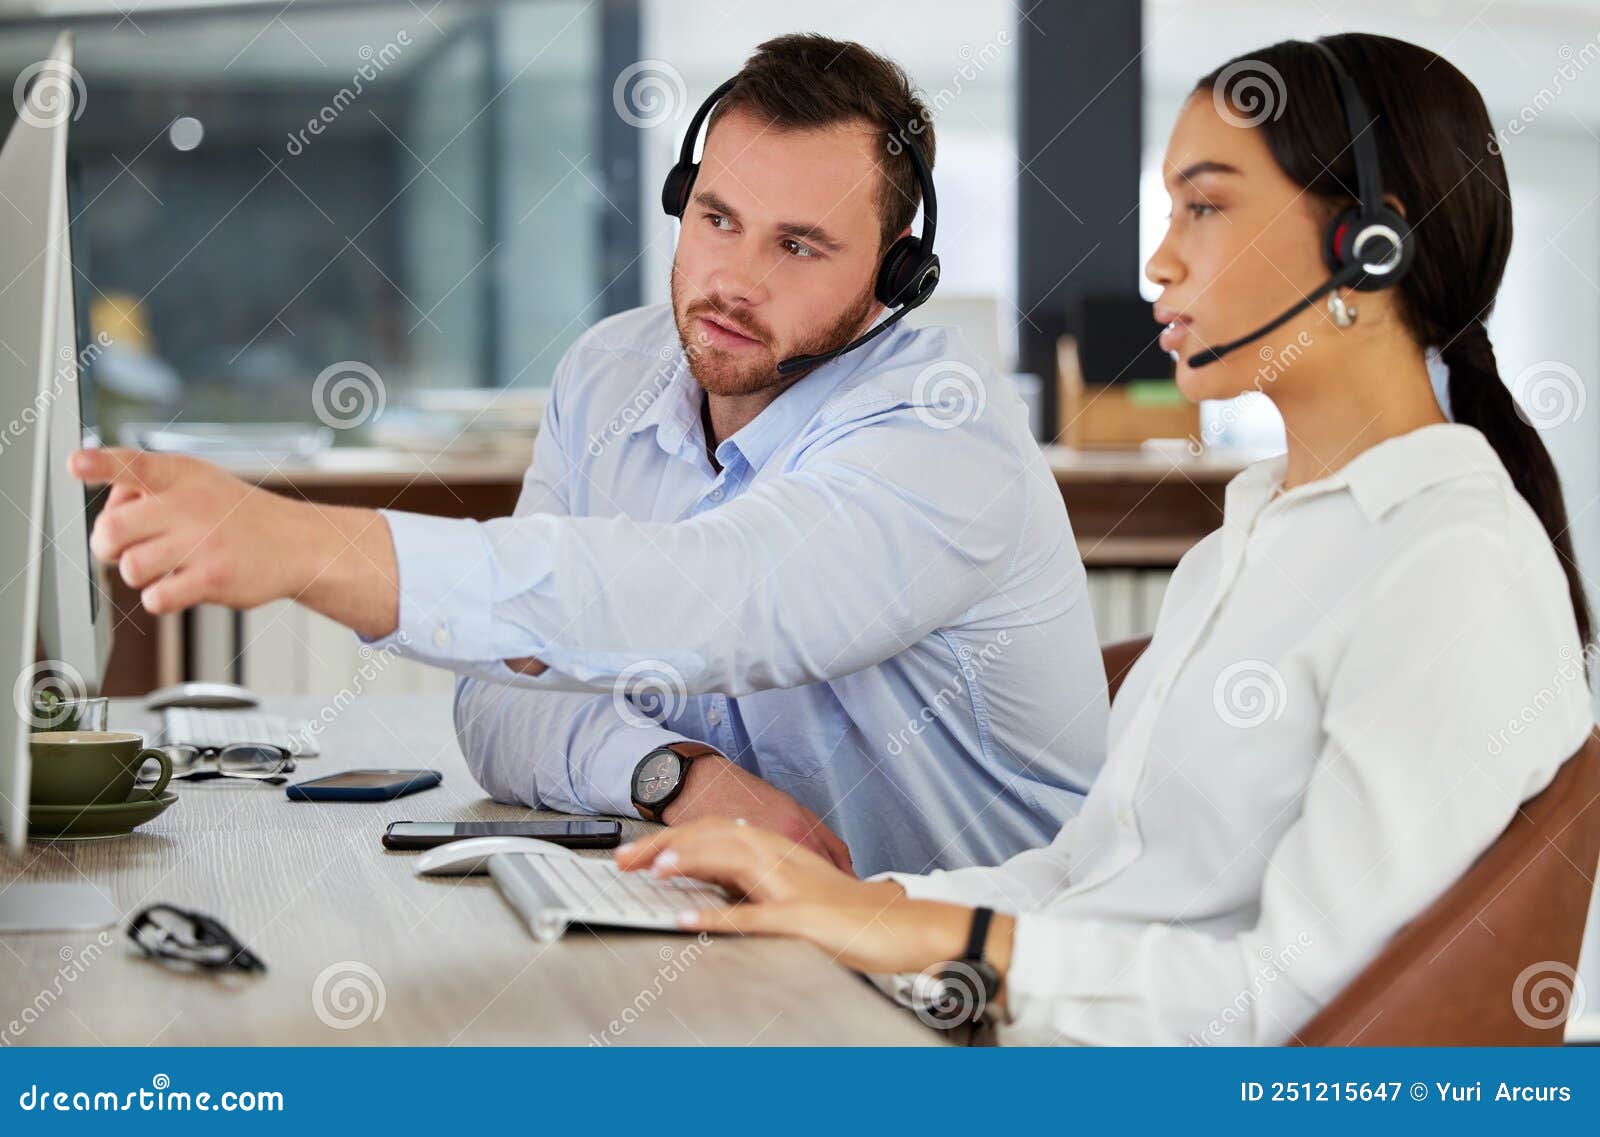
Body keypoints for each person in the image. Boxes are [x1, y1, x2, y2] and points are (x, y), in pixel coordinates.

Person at [610, 32, 1598, 1046]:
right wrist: (847, 904)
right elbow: (1089, 879)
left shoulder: (1449, 568)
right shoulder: (1247, 542)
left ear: (1367, 248)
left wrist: (918, 938)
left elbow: (1292, 1003)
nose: (1158, 261)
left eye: (1205, 207)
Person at [70, 34, 1108, 879]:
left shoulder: (941, 427)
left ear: (895, 278)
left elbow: (716, 596)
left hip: (974, 998)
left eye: (796, 246)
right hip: (747, 948)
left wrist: (312, 547)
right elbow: (503, 693)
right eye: (716, 218)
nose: (732, 279)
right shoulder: (612, 374)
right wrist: (672, 776)